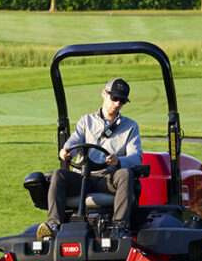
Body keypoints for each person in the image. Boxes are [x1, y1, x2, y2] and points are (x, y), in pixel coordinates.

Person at [38, 78, 142, 239]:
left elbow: (136, 157)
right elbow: (74, 142)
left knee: (125, 174)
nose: (117, 104)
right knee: (58, 175)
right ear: (104, 94)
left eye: (122, 101)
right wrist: (66, 152)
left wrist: (119, 161)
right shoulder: (86, 121)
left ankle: (119, 227)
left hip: (107, 178)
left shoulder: (130, 127)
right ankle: (53, 226)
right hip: (82, 177)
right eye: (114, 98)